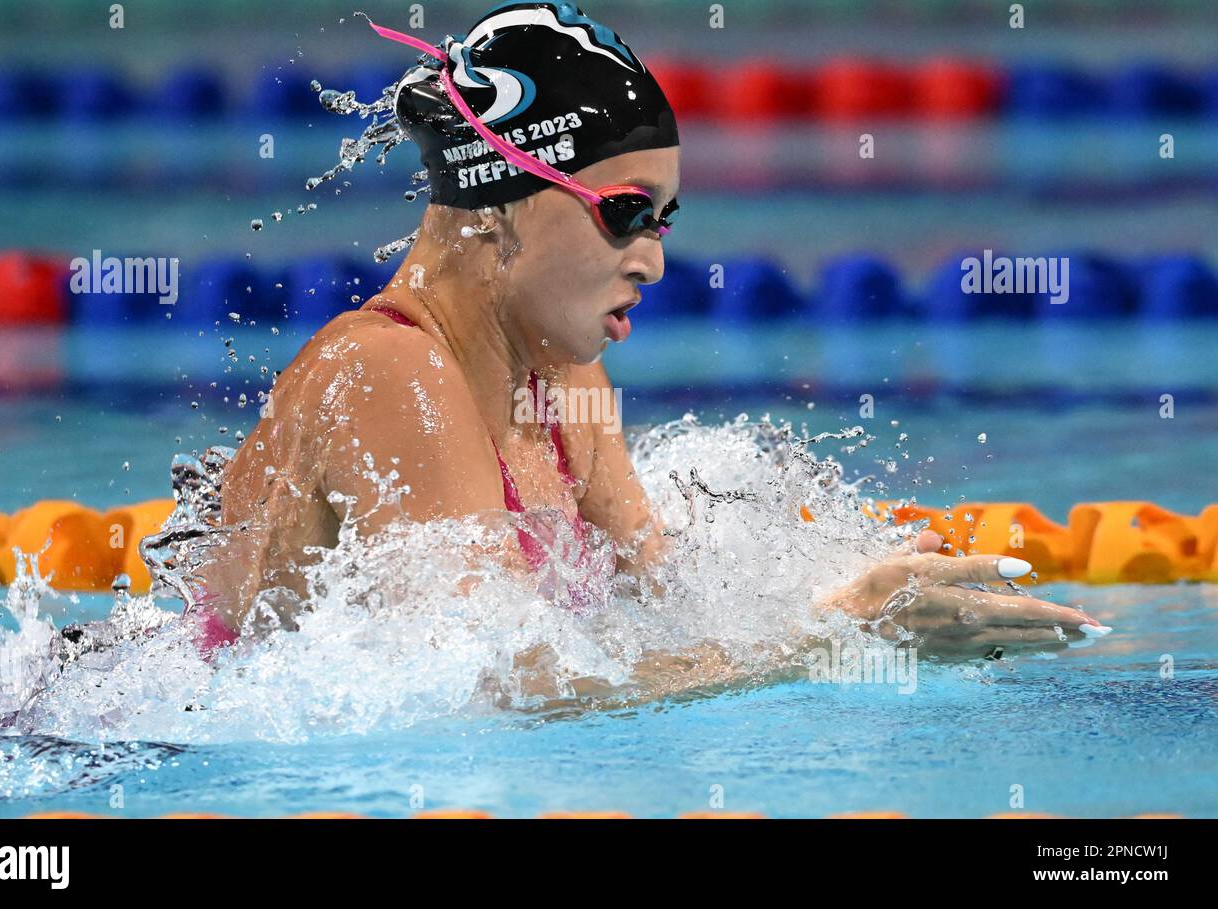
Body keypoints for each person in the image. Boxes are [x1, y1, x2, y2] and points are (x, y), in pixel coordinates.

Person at [190, 2, 1108, 683]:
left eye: (662, 222)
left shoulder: (565, 379)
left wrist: (868, 596)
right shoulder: (389, 369)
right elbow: (492, 687)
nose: (653, 263)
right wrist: (837, 633)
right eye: (624, 214)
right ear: (501, 201)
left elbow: (667, 612)